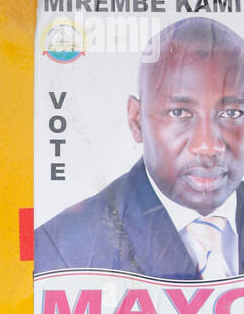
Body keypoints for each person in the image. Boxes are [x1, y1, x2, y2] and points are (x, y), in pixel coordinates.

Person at [34, 18, 244, 279]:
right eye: (179, 112)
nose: (208, 145)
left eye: (232, 112)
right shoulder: (59, 250)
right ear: (136, 121)